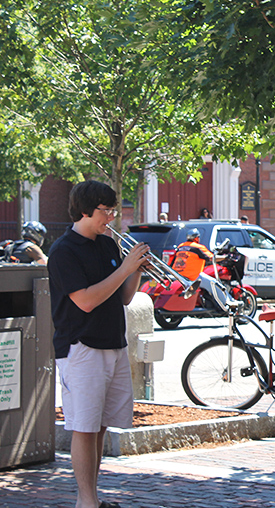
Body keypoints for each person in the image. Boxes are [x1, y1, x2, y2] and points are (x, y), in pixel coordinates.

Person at [48, 180, 149, 508]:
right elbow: (86, 301)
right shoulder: (64, 251)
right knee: (84, 427)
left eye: (112, 209)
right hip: (81, 347)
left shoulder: (107, 246)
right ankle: (88, 501)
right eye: (105, 210)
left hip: (113, 344)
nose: (111, 217)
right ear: (84, 211)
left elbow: (123, 297)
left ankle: (89, 498)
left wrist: (135, 273)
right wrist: (124, 268)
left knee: (102, 425)